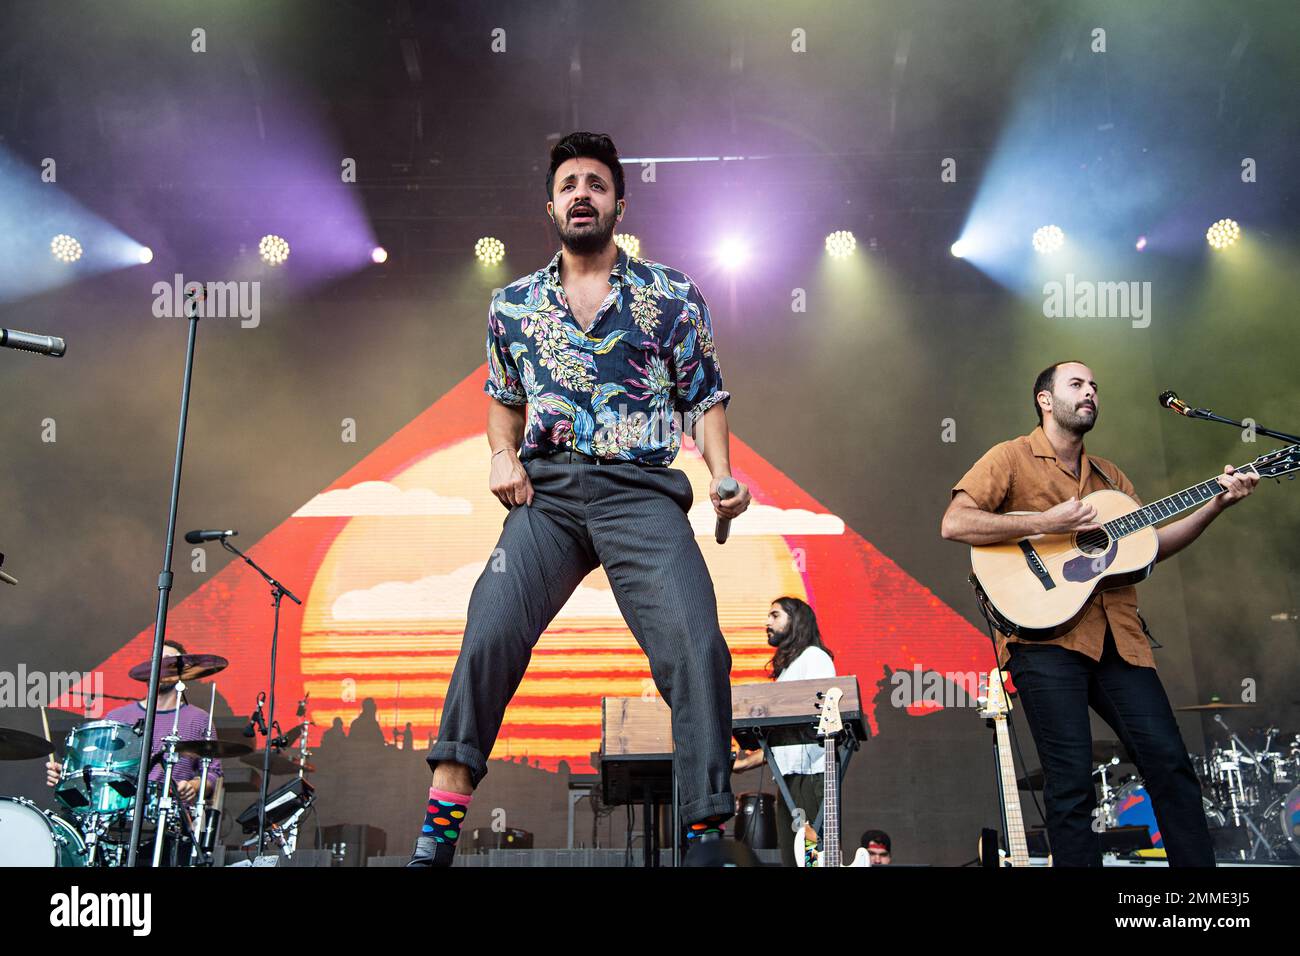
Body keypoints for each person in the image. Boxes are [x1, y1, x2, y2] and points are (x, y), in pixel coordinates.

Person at [407, 131, 750, 867]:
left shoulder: (671, 295)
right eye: (569, 183)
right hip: (550, 496)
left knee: (698, 647)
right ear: (552, 205)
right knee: (489, 631)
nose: (582, 193)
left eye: (596, 182)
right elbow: (502, 403)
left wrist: (722, 476)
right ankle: (435, 836)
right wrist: (501, 454)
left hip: (642, 494)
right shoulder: (513, 306)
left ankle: (703, 836)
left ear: (619, 202)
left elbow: (706, 398)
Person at [941, 361, 1258, 866]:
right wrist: (1048, 520)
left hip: (1119, 641)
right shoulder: (1011, 457)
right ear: (1045, 400)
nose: (1090, 392)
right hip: (1044, 644)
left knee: (1171, 767)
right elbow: (955, 523)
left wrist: (1216, 505)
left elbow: (1147, 548)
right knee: (1069, 787)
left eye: (1094, 387)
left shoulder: (1111, 478)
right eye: (1077, 385)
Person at [45, 640, 223, 806]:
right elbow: (96, 768)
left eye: (169, 662)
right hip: (117, 809)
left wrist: (194, 785)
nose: (161, 667)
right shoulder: (117, 717)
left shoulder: (199, 719)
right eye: (156, 661)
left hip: (170, 813)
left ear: (183, 672)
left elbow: (213, 773)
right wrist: (69, 774)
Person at [731, 597, 835, 866]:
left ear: (796, 620)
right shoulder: (789, 668)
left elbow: (822, 719)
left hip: (811, 777)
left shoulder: (814, 657)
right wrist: (745, 763)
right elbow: (785, 740)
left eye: (775, 615)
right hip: (790, 779)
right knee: (793, 858)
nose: (768, 622)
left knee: (811, 857)